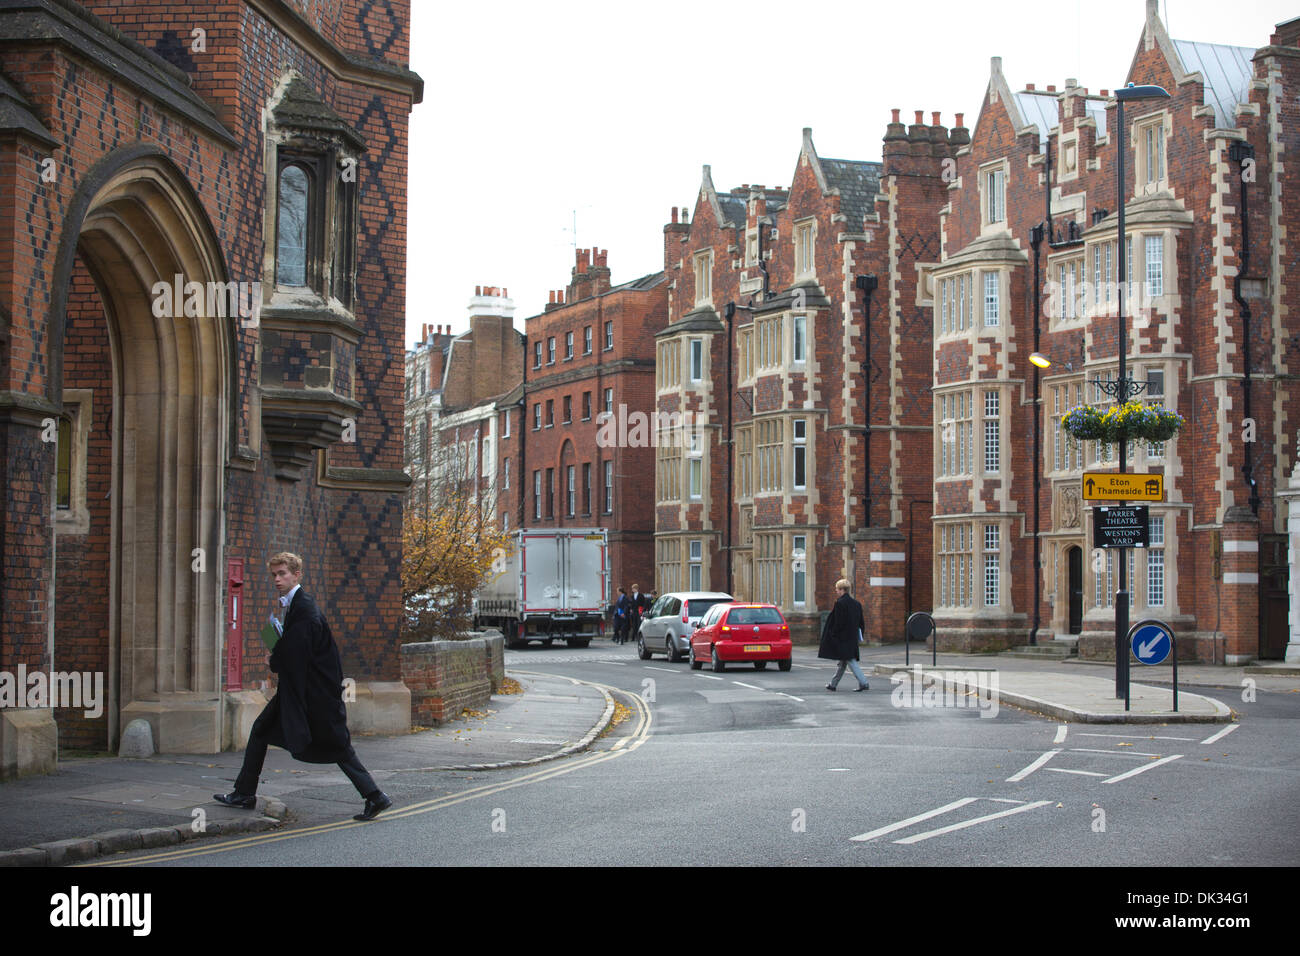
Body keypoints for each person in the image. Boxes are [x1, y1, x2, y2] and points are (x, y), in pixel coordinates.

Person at [214, 552, 393, 822]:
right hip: (302, 690)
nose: (277, 579)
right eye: (274, 574)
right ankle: (244, 792)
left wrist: (274, 660)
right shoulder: (297, 605)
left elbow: (297, 654)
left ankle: (375, 796)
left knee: (338, 747)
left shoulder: (305, 608)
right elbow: (297, 648)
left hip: (314, 695)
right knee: (261, 730)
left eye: (282, 573)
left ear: (297, 574)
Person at [819, 578, 869, 692]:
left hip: (843, 638)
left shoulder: (840, 604)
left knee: (850, 660)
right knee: (843, 662)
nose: (836, 591)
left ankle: (864, 682)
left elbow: (838, 623)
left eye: (837, 589)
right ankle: (833, 684)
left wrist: (833, 634)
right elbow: (861, 622)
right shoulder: (856, 604)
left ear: (842, 590)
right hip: (852, 637)